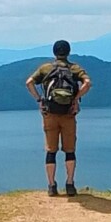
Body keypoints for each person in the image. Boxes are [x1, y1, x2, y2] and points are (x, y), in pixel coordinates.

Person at [26, 39, 91, 196]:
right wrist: (75, 98)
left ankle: (51, 186)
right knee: (70, 150)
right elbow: (87, 82)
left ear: (54, 52)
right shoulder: (74, 68)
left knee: (51, 151)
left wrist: (40, 99)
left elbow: (29, 82)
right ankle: (69, 184)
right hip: (68, 114)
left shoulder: (46, 68)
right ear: (68, 52)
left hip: (50, 114)